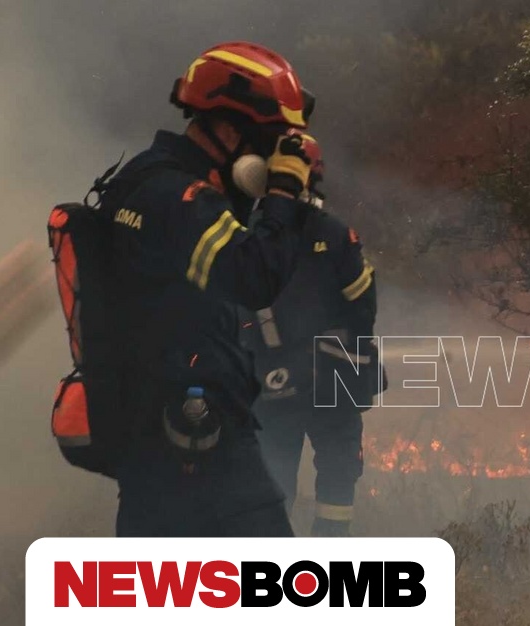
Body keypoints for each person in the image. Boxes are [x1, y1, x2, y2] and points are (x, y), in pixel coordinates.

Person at [101, 41, 321, 536]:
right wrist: (284, 196)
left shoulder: (146, 179)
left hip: (154, 427)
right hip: (198, 431)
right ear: (227, 130)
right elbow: (253, 277)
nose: (269, 160)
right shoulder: (184, 199)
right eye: (267, 146)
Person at [248, 147, 382, 537]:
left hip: (281, 383)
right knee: (322, 482)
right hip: (319, 382)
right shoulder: (333, 233)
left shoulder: (252, 234)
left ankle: (273, 572)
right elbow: (363, 308)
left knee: (278, 484)